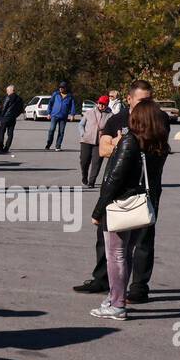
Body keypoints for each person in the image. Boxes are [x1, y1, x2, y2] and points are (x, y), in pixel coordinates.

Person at [73, 79, 166, 298]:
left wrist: (123, 143)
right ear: (129, 99)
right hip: (117, 185)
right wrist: (122, 143)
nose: (146, 104)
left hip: (147, 188)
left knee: (144, 236)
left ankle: (139, 287)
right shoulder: (118, 119)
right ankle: (101, 279)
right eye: (142, 100)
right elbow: (104, 150)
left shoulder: (159, 120)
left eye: (149, 99)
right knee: (107, 235)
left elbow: (159, 151)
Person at [89, 99, 170, 321]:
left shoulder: (130, 142)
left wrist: (98, 211)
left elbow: (114, 179)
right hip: (141, 205)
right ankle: (116, 297)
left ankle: (117, 304)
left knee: (116, 255)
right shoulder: (158, 144)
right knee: (126, 253)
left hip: (122, 204)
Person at [78, 95, 109, 187]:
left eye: (103, 104)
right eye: (100, 103)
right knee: (84, 161)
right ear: (97, 103)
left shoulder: (110, 115)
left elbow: (111, 128)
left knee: (97, 162)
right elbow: (81, 125)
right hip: (86, 141)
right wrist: (83, 134)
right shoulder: (89, 112)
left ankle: (92, 182)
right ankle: (84, 175)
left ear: (107, 105)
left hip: (100, 142)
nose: (101, 106)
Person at [45, 82, 74, 151]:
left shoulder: (70, 96)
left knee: (61, 132)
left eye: (62, 87)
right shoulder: (56, 94)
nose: (60, 88)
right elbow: (50, 103)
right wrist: (49, 113)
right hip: (54, 115)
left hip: (63, 117)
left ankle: (58, 146)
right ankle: (48, 144)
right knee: (51, 130)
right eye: (60, 87)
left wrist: (72, 114)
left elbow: (72, 106)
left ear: (66, 88)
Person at [0, 85, 23, 153]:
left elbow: (4, 108)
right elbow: (21, 110)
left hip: (5, 117)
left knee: (1, 132)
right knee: (10, 133)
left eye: (7, 90)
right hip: (13, 118)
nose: (6, 92)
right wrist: (15, 115)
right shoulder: (19, 99)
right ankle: (7, 147)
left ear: (11, 90)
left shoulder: (8, 97)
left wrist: (0, 116)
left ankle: (0, 147)